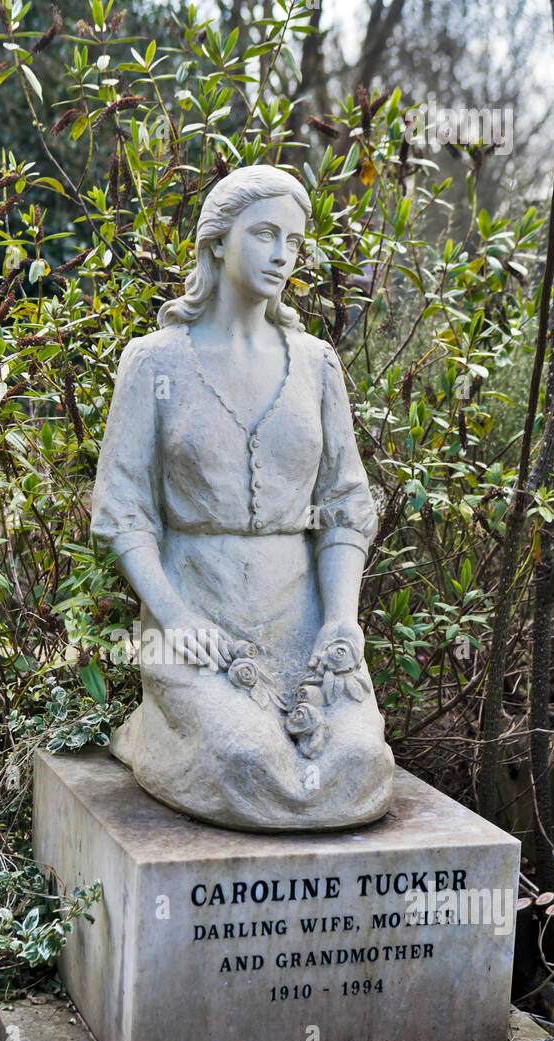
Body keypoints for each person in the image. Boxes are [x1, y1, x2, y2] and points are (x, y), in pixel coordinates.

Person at [90, 164, 394, 830]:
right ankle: (157, 732)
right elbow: (123, 513)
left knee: (359, 765)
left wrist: (343, 619)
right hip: (196, 608)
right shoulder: (154, 361)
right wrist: (175, 618)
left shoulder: (316, 363)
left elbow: (345, 506)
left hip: (303, 615)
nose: (283, 254)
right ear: (217, 242)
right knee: (243, 760)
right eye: (264, 234)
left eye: (294, 239)